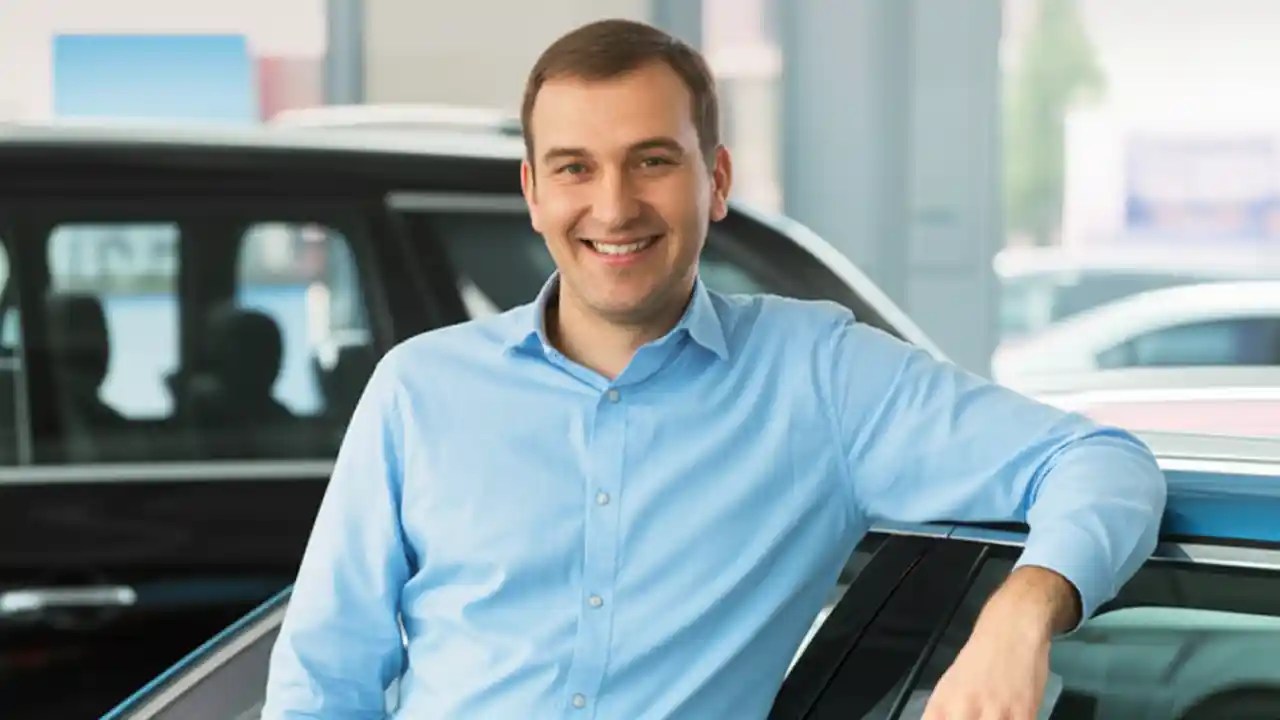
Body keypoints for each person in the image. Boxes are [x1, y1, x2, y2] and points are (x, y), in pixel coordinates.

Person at [262, 18, 1166, 720]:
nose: (614, 207)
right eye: (576, 168)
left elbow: (1102, 463)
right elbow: (322, 684)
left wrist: (1021, 614)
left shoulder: (818, 377)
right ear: (534, 192)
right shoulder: (422, 391)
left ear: (717, 179)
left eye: (653, 162)